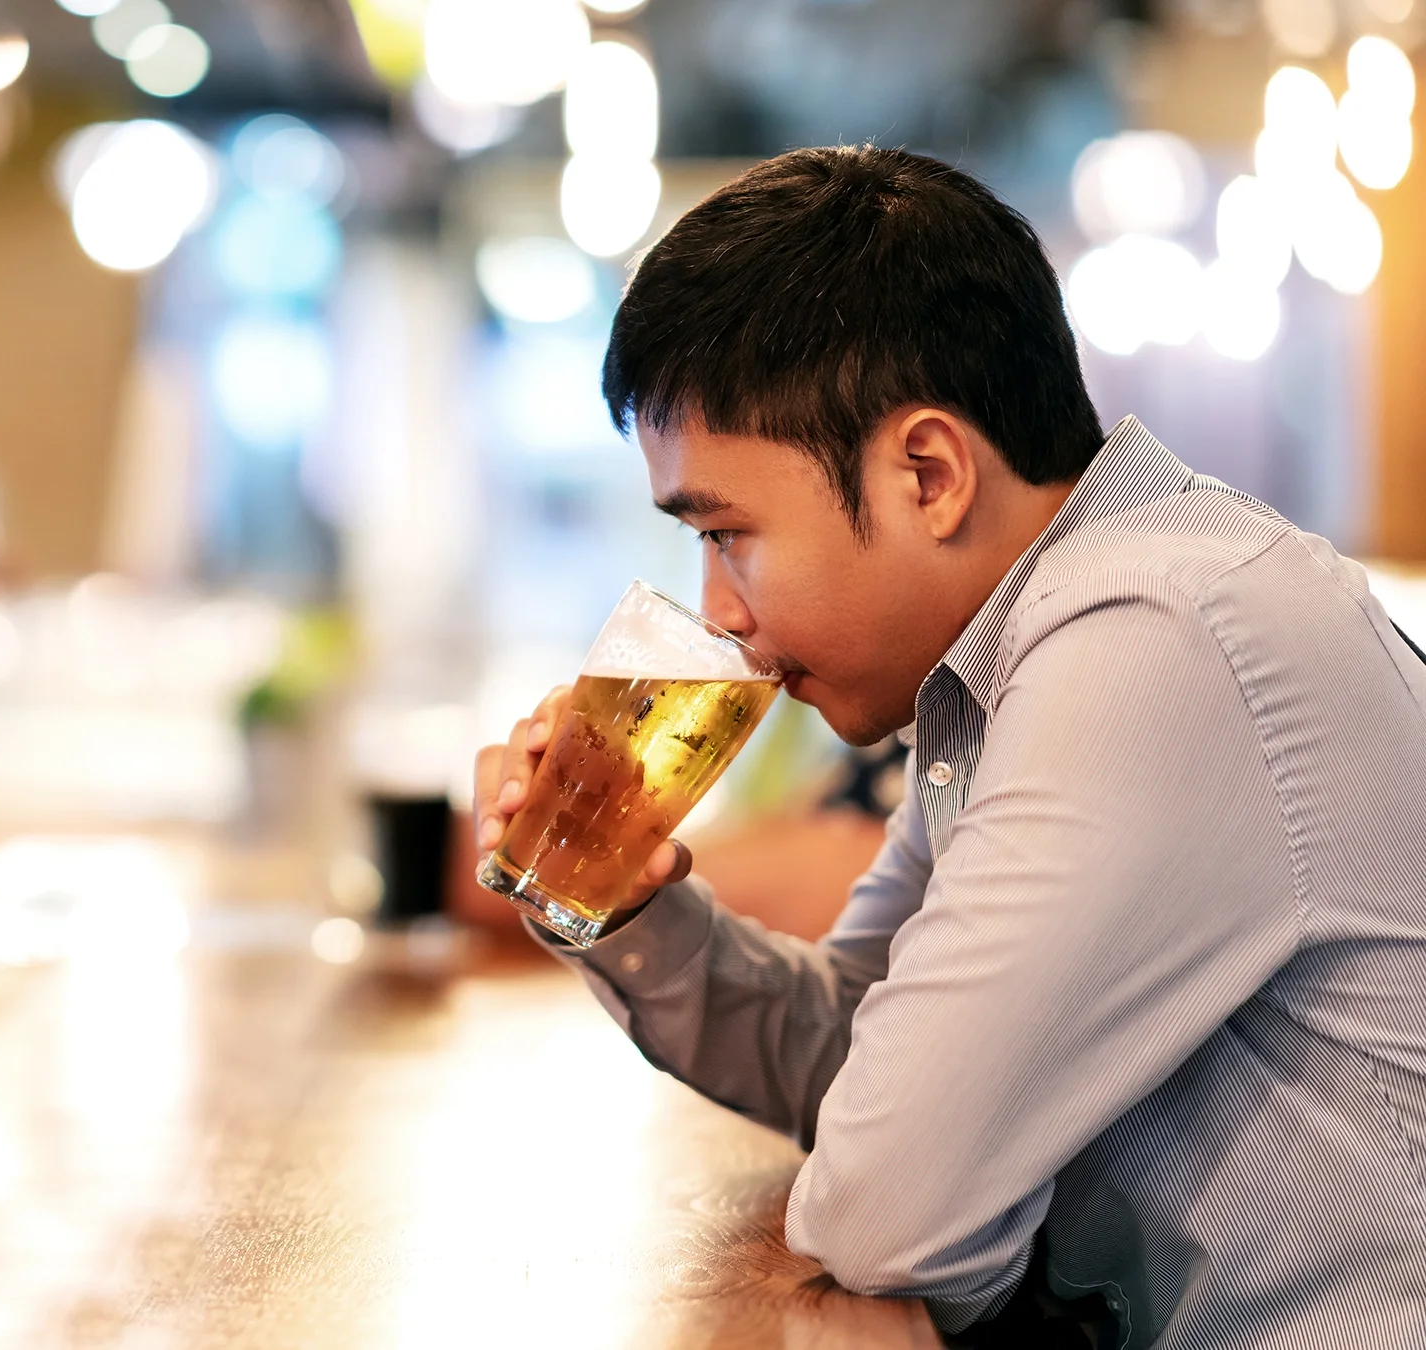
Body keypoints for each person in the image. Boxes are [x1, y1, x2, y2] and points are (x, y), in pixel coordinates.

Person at [472, 145, 1426, 1348]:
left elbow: (888, 1210)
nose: (716, 611)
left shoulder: (1154, 637)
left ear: (927, 472)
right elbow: (864, 1058)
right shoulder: (1003, 661)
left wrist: (912, 1184)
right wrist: (622, 910)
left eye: (727, 535)